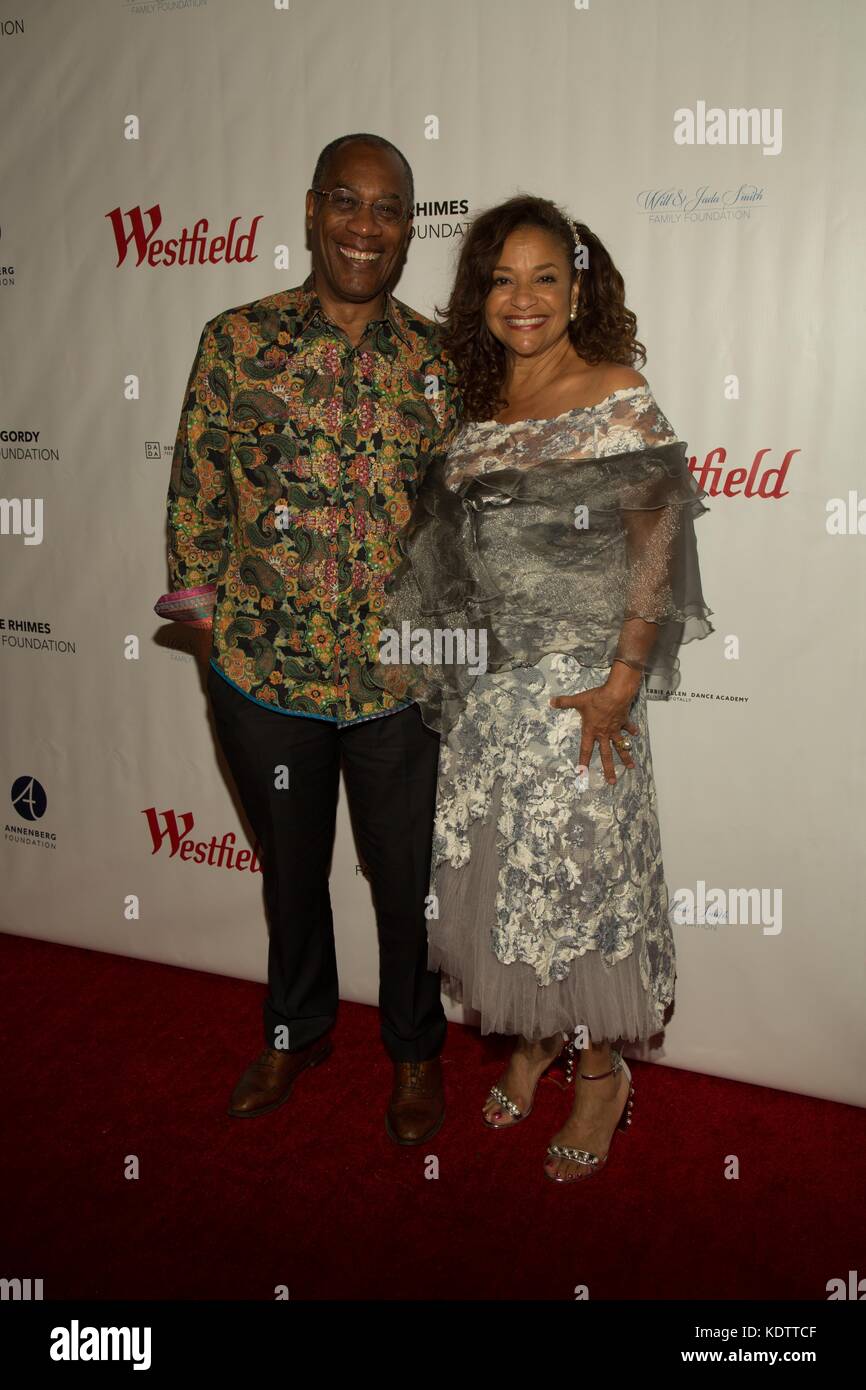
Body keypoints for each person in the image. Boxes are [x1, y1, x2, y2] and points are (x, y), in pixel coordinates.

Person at [370, 195, 713, 1181]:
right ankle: (530, 1037)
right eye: (500, 279)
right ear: (478, 292)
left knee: (574, 884)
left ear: (575, 286)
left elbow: (656, 546)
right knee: (504, 882)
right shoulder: (474, 418)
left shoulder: (614, 393)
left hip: (580, 701)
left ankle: (599, 1072)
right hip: (491, 703)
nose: (522, 299)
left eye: (543, 278)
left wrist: (617, 685)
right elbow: (448, 562)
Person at [154, 134, 460, 1145]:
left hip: (394, 686)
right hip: (263, 677)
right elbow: (196, 494)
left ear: (407, 229)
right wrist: (210, 644)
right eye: (346, 201)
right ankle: (295, 1030)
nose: (363, 227)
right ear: (311, 209)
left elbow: (460, 521)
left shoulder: (436, 363)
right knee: (289, 871)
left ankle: (414, 1053)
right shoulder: (235, 341)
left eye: (386, 209)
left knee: (405, 881)